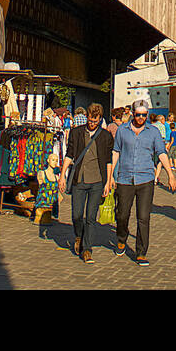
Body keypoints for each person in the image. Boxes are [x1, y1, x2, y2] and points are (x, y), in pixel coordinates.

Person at [109, 100, 176, 266]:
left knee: (143, 217)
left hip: (145, 178)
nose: (140, 118)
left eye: (144, 115)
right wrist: (110, 175)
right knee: (122, 214)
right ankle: (122, 238)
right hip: (125, 178)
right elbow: (116, 151)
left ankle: (141, 252)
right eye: (138, 114)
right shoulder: (122, 130)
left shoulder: (152, 132)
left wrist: (170, 174)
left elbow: (161, 152)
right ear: (132, 113)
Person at [59, 102, 114, 263]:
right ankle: (78, 236)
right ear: (87, 117)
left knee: (91, 216)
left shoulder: (105, 136)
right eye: (90, 120)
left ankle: (87, 249)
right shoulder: (76, 133)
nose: (92, 124)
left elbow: (108, 160)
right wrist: (62, 175)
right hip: (79, 179)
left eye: (95, 121)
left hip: (97, 180)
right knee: (76, 214)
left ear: (100, 120)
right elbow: (69, 155)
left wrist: (109, 181)